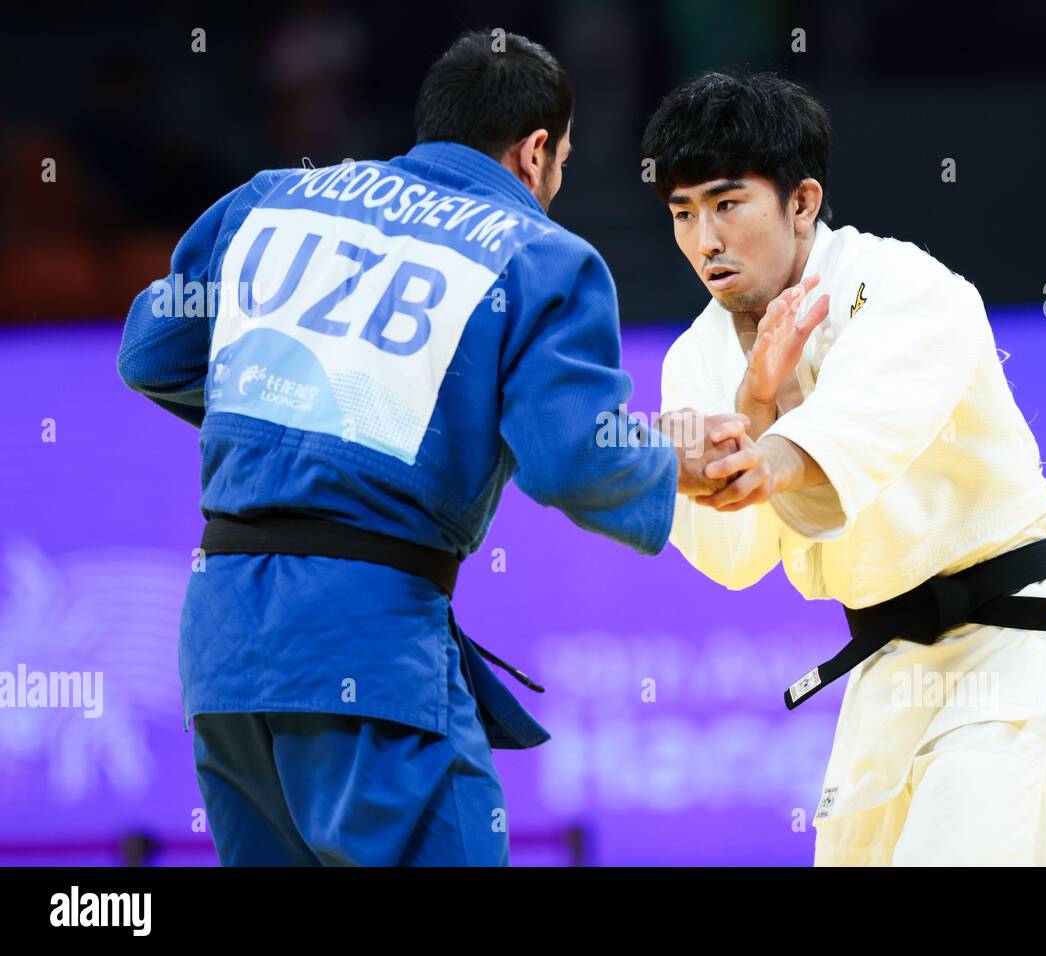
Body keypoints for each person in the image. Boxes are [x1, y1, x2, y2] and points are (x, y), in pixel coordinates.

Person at [116, 30, 738, 867]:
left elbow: (151, 353)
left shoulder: (271, 199)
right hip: (365, 646)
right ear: (537, 151)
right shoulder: (539, 255)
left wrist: (297, 412)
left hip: (223, 648)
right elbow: (572, 458)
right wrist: (675, 463)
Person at [642, 71, 1046, 866]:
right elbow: (732, 559)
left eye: (728, 204)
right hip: (887, 668)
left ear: (801, 202)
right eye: (682, 214)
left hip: (1009, 646)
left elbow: (857, 442)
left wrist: (752, 439)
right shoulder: (699, 354)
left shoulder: (907, 289)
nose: (705, 241)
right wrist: (753, 400)